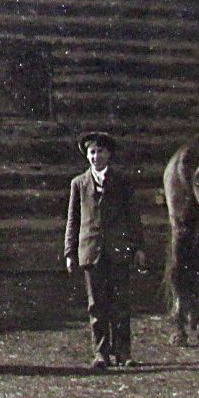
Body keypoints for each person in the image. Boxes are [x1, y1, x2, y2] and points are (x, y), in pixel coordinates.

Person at [64, 131, 147, 370]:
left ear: (108, 154)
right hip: (91, 251)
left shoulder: (121, 181)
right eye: (92, 152)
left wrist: (138, 247)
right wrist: (70, 252)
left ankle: (123, 353)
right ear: (86, 155)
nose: (96, 156)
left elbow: (133, 216)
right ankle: (101, 353)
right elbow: (73, 220)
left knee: (120, 304)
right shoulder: (78, 184)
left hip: (119, 250)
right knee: (96, 306)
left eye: (100, 152)